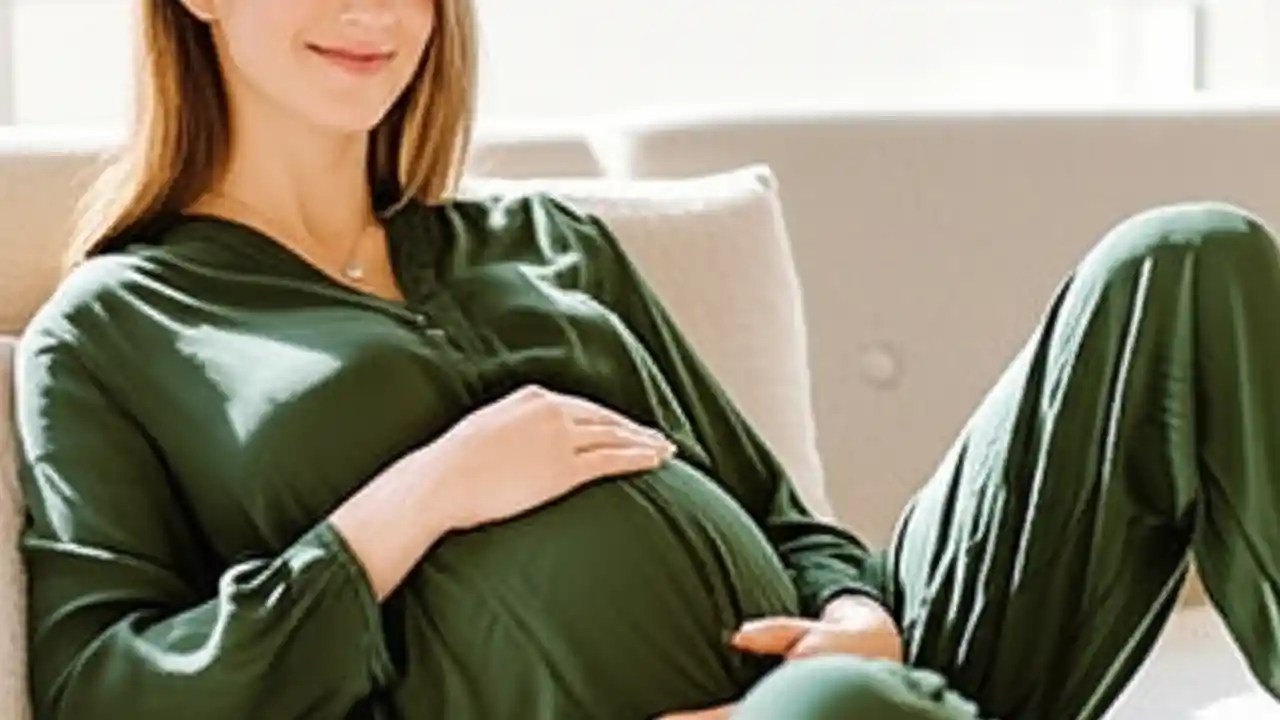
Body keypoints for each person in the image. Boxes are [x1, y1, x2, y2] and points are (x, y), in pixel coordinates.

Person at [11, 1, 1280, 719]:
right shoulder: (117, 331)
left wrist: (856, 619)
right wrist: (419, 497)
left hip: (858, 684)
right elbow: (100, 693)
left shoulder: (545, 239)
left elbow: (782, 512)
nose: (372, 8)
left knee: (1186, 259)